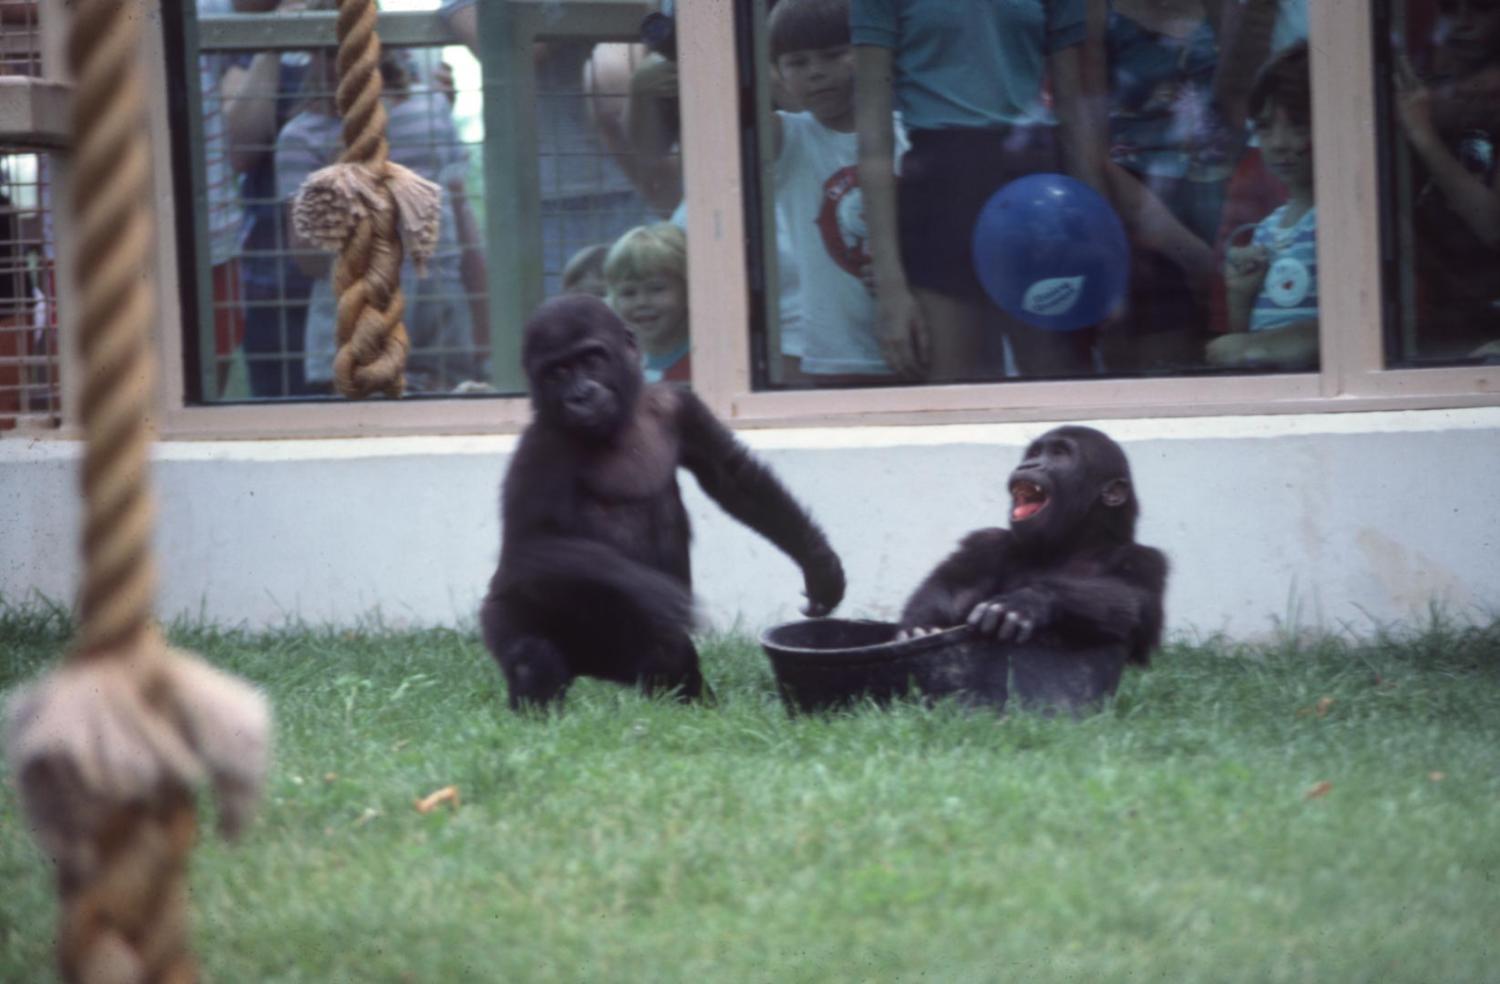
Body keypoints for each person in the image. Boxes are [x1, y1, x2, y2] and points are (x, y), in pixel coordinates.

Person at [852, 0, 1109, 382]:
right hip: (941, 187)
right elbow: (873, 142)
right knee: (955, 385)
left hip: (1033, 185)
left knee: (1056, 377)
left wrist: (1098, 239)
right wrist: (892, 287)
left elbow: (1075, 112)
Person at [275, 17, 485, 393]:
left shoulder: (429, 109)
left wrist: (485, 327)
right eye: (327, 53)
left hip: (441, 319)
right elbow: (307, 258)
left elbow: (462, 217)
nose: (340, 63)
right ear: (310, 55)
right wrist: (347, 153)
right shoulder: (300, 137)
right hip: (352, 330)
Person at [439, 0, 659, 296]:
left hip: (637, 182)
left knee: (649, 325)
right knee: (554, 332)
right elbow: (505, 49)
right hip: (536, 202)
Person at [763, 0, 901, 384]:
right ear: (776, 74)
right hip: (834, 357)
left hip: (917, 341)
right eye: (797, 63)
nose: (816, 73)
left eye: (833, 55)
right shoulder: (790, 139)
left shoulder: (906, 135)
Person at [1393, 0, 1500, 362]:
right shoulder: (1428, 94)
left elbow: (1493, 225)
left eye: (1480, 9)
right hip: (1436, 311)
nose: (1463, 24)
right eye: (1450, 10)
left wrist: (1424, 136)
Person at [222, 0, 317, 397]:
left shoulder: (368, 20)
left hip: (365, 275)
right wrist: (274, 39)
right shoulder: (246, 42)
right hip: (272, 283)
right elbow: (240, 149)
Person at [1207, 42, 1318, 370]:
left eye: (1298, 124)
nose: (1279, 143)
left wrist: (1247, 347)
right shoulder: (1268, 228)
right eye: (1266, 126)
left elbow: (1346, 333)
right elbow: (1246, 342)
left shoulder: (1340, 220)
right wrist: (1240, 297)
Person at [604, 223, 690, 383]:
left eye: (656, 289)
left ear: (687, 288)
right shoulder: (619, 362)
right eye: (628, 293)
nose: (642, 302)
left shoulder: (703, 357)